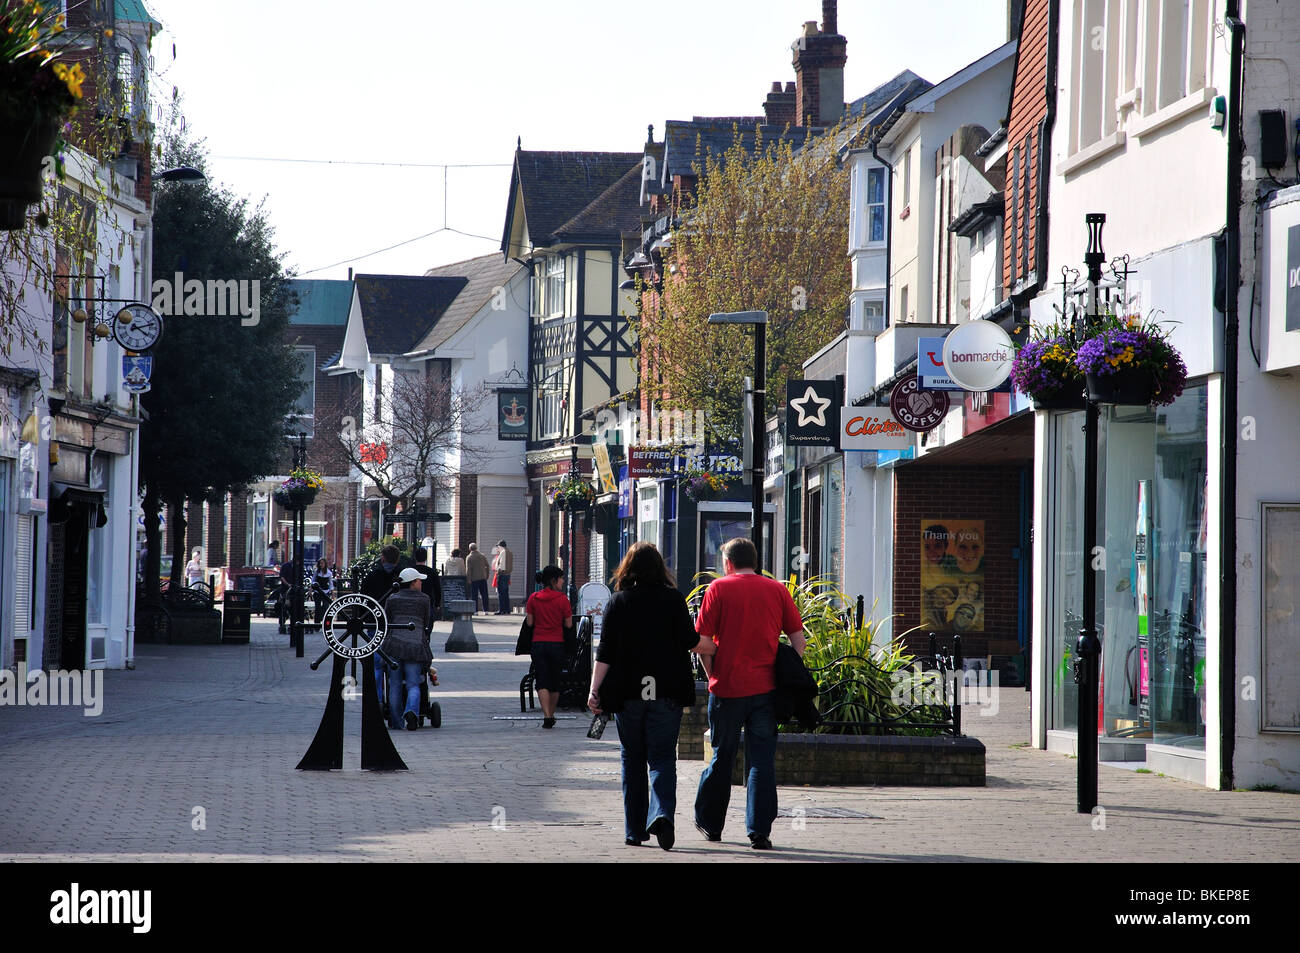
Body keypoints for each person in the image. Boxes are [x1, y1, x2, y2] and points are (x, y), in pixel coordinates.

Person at [588, 542, 716, 850]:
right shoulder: (673, 599)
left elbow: (604, 652)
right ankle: (661, 815)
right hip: (667, 692)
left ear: (627, 568)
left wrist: (594, 691)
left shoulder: (618, 601)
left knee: (632, 759)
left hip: (628, 693)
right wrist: (715, 646)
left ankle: (634, 830)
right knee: (661, 758)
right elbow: (689, 640)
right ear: (661, 568)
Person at [693, 537, 805, 850]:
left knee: (722, 758)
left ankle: (711, 824)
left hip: (727, 690)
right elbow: (798, 641)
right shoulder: (777, 590)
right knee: (761, 762)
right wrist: (787, 672)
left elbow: (703, 641)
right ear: (755, 561)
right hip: (766, 691)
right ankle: (759, 832)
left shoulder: (718, 589)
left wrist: (710, 673)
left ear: (728, 563)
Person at [383, 567, 432, 731]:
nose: (421, 583)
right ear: (412, 583)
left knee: (395, 684)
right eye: (419, 580)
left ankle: (397, 722)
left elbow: (387, 620)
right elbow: (426, 622)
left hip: (394, 645)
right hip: (415, 645)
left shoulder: (392, 598)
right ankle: (411, 710)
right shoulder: (424, 599)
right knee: (413, 684)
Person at [525, 565, 573, 729]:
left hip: (538, 644)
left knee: (542, 680)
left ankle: (546, 715)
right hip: (557, 644)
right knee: (555, 681)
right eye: (561, 578)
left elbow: (530, 622)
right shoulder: (563, 600)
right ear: (553, 580)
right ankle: (551, 715)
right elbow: (568, 624)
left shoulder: (533, 598)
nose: (563, 581)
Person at [361, 545, 404, 704]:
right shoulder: (402, 577)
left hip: (375, 624)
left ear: (383, 558)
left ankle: (377, 701)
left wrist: (364, 619)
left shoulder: (371, 576)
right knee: (395, 667)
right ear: (398, 559)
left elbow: (362, 600)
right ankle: (395, 706)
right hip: (397, 625)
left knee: (377, 666)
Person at [412, 546, 442, 631]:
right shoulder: (432, 572)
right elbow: (437, 589)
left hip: (413, 601)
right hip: (428, 602)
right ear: (425, 558)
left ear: (415, 557)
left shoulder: (411, 570)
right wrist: (437, 604)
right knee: (427, 627)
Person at [466, 543, 491, 614]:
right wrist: (487, 575)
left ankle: (475, 610)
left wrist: (468, 579)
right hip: (483, 577)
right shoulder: (482, 556)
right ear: (476, 548)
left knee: (474, 595)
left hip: (474, 578)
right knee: (484, 594)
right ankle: (486, 610)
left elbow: (468, 569)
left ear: (470, 549)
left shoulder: (469, 557)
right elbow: (487, 565)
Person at [492, 539, 514, 614]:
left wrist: (497, 571)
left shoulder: (503, 552)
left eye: (498, 546)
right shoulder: (510, 552)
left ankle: (501, 609)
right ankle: (507, 609)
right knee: (505, 593)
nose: (498, 548)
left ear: (500, 546)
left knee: (501, 593)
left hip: (502, 575)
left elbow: (502, 565)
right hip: (507, 574)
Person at [312, 557, 334, 624]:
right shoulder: (317, 571)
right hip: (317, 592)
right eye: (320, 563)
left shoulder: (329, 573)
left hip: (325, 592)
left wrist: (332, 594)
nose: (321, 565)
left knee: (325, 607)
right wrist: (311, 589)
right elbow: (313, 580)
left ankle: (324, 622)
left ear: (325, 564)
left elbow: (331, 583)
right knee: (317, 608)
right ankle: (317, 623)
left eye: (322, 563)